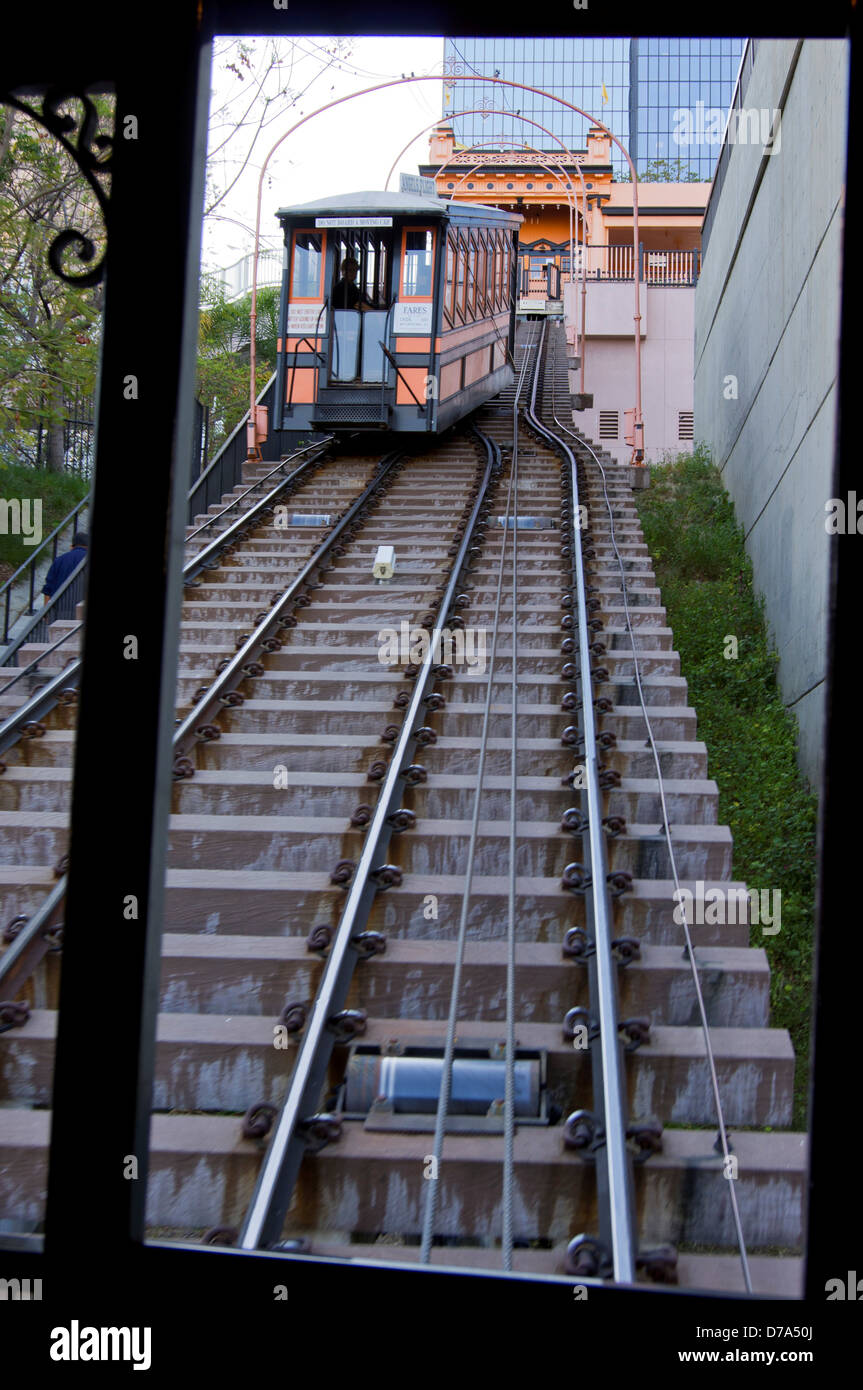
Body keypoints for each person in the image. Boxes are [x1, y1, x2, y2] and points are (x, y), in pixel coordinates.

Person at [42, 531, 88, 605]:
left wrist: (46, 613)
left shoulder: (59, 560)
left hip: (59, 610)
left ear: (71, 547)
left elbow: (48, 589)